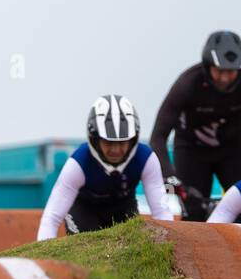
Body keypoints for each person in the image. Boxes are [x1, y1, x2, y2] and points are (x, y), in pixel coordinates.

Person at [150, 31, 241, 221]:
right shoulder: (187, 83)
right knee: (194, 212)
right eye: (220, 71)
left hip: (233, 149)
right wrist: (169, 175)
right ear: (207, 65)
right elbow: (158, 136)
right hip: (191, 150)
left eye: (231, 71)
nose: (225, 78)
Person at [37, 95, 173, 239]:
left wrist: (169, 248)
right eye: (108, 142)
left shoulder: (146, 158)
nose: (115, 150)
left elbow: (161, 211)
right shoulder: (79, 162)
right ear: (95, 139)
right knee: (85, 252)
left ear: (133, 139)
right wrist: (40, 258)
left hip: (124, 208)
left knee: (130, 254)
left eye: (121, 142)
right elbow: (51, 217)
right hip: (84, 209)